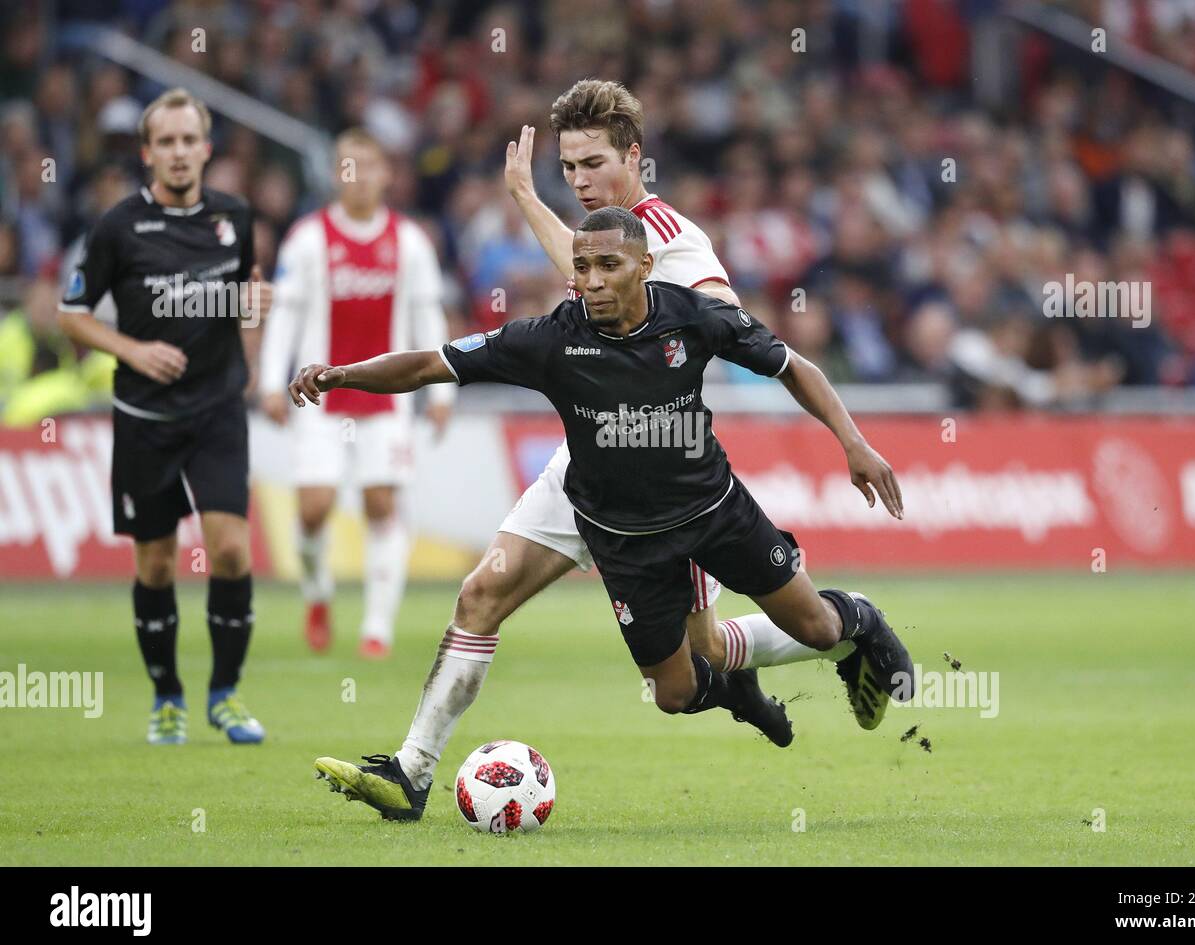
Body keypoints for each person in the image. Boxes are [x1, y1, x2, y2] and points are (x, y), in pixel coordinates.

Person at [345, 81, 895, 809]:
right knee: (481, 594)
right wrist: (527, 201)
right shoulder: (601, 245)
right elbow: (581, 270)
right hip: (584, 465)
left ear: (635, 157)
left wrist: (840, 433)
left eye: (592, 162)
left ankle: (841, 628)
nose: (578, 179)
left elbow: (723, 319)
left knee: (695, 665)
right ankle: (410, 773)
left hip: (669, 475)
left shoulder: (671, 236)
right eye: (567, 166)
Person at [57, 88, 269, 745]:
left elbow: (247, 295)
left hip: (216, 411)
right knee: (155, 563)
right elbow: (71, 314)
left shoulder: (235, 217)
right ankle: (167, 696)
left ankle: (225, 694)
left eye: (189, 141)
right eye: (166, 143)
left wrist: (253, 353)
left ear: (206, 149)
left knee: (231, 549)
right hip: (144, 416)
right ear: (148, 153)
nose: (179, 153)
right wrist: (133, 349)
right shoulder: (119, 226)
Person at [258, 128, 455, 659]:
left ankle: (376, 628)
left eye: (368, 165)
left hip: (387, 398)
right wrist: (270, 379)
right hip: (318, 398)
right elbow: (286, 313)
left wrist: (441, 393)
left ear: (384, 173)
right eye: (348, 165)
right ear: (335, 173)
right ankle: (318, 594)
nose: (359, 175)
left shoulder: (408, 240)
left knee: (381, 503)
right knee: (314, 510)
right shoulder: (307, 238)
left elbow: (426, 314)